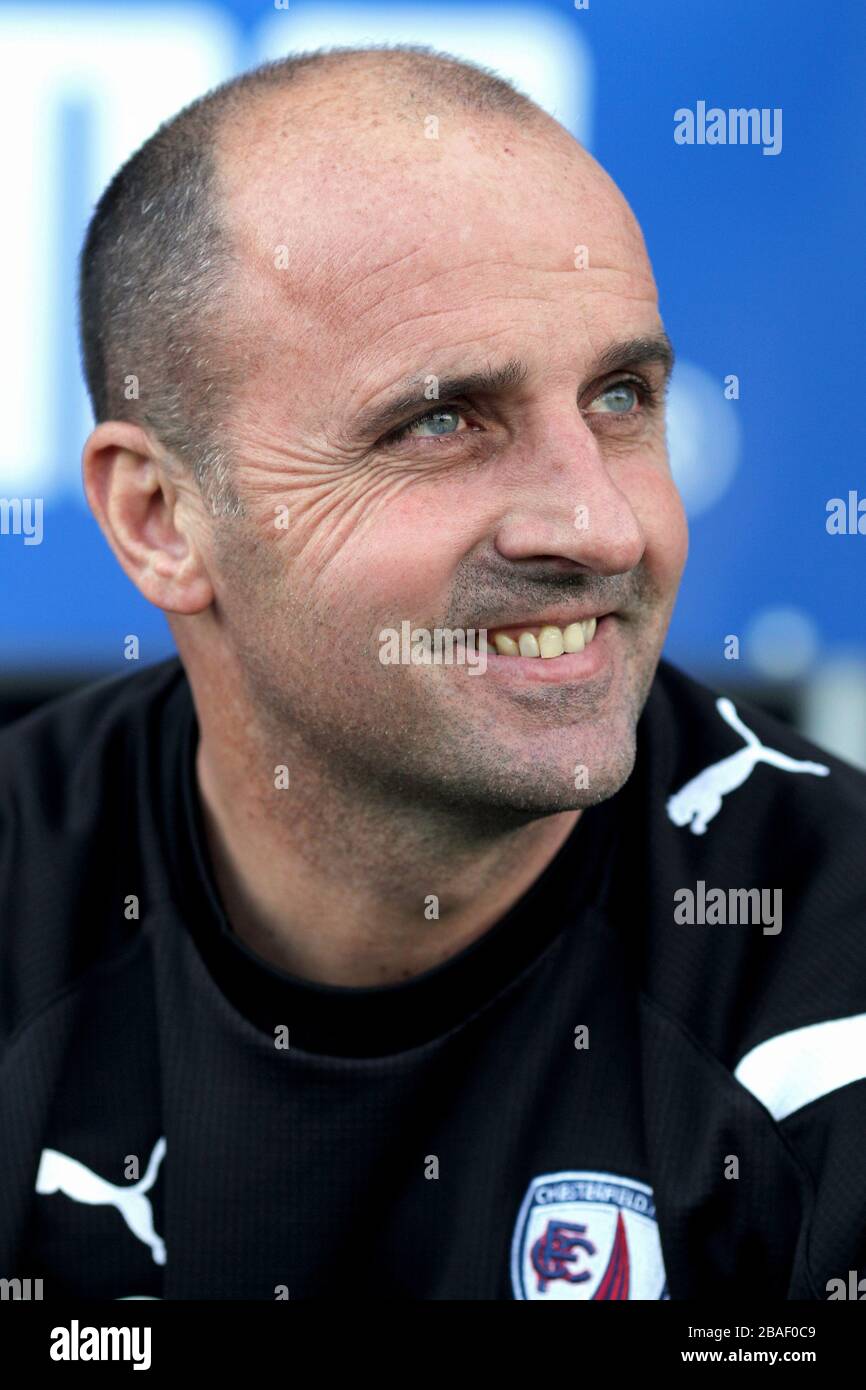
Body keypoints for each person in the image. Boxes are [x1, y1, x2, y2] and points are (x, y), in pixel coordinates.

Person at [1, 44, 864, 1301]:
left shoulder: (825, 974)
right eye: (442, 421)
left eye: (620, 397)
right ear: (160, 519)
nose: (602, 527)